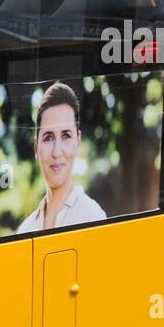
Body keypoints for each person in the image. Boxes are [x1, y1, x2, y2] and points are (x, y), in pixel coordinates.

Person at [18, 81, 106, 233]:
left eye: (66, 135)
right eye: (48, 137)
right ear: (36, 147)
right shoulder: (26, 229)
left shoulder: (93, 217)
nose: (56, 152)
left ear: (78, 142)